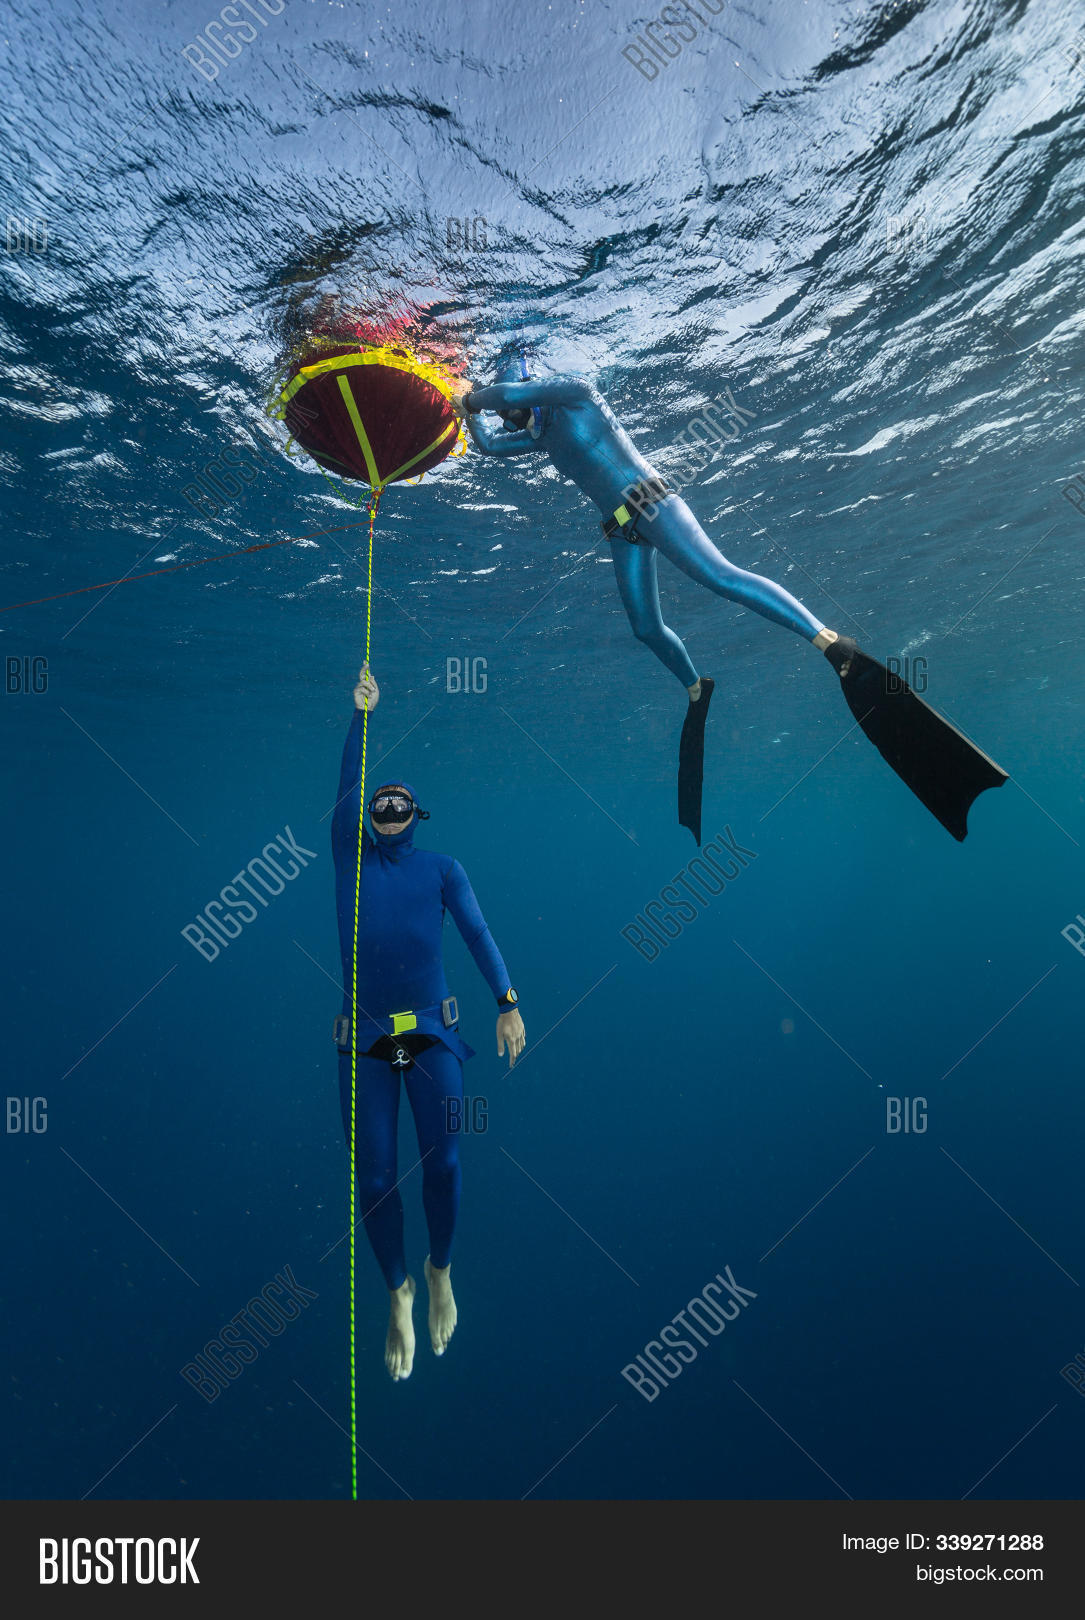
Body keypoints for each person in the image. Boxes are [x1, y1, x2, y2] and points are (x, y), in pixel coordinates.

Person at [455, 365, 1006, 842]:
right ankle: (697, 688)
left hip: (653, 501)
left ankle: (830, 641)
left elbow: (506, 395)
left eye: (513, 410)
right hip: (621, 528)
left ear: (527, 390)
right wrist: (465, 414)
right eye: (510, 417)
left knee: (720, 577)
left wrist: (471, 397)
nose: (513, 420)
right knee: (645, 628)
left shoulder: (576, 394)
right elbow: (488, 445)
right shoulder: (542, 436)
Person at [332, 664, 525, 1379]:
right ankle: (398, 1293)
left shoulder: (443, 869)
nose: (387, 809)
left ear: (417, 814)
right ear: (369, 817)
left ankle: (439, 1270)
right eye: (379, 802)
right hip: (369, 1042)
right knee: (376, 1179)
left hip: (430, 1035)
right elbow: (345, 792)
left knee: (442, 1162)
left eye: (400, 802)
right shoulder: (350, 860)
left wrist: (507, 1002)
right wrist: (361, 716)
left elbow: (476, 932)